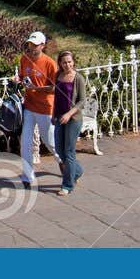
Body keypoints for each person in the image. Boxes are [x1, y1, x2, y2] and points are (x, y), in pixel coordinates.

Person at [17, 31, 59, 188]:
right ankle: (28, 176)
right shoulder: (24, 59)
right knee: (25, 142)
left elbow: (55, 88)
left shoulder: (49, 63)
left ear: (42, 46)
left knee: (49, 142)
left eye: (35, 45)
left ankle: (65, 164)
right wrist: (18, 80)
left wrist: (37, 88)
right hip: (29, 106)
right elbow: (22, 77)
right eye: (30, 44)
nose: (32, 48)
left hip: (45, 108)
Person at [52, 50, 87, 196]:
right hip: (59, 117)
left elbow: (82, 101)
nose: (67, 65)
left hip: (73, 119)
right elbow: (56, 97)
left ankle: (67, 185)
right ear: (60, 63)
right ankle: (77, 171)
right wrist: (54, 114)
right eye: (64, 62)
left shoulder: (78, 78)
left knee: (69, 151)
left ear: (73, 62)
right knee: (59, 150)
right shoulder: (58, 76)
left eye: (69, 62)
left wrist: (69, 114)